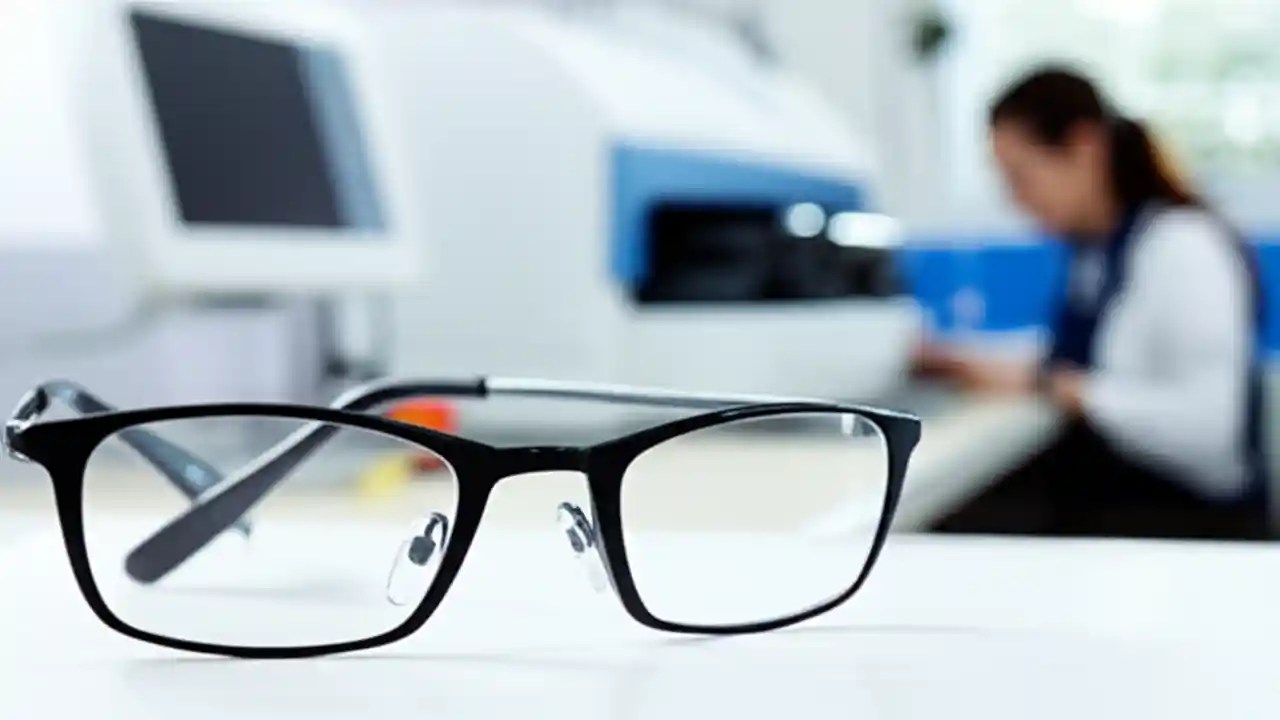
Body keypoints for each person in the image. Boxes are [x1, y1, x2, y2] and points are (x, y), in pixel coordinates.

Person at [920, 65, 1271, 541]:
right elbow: (1092, 361)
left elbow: (1210, 433)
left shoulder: (1181, 245)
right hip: (1128, 500)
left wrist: (1067, 390)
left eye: (1021, 177)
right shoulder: (1096, 254)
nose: (1017, 201)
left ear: (1085, 148)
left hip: (1190, 523)